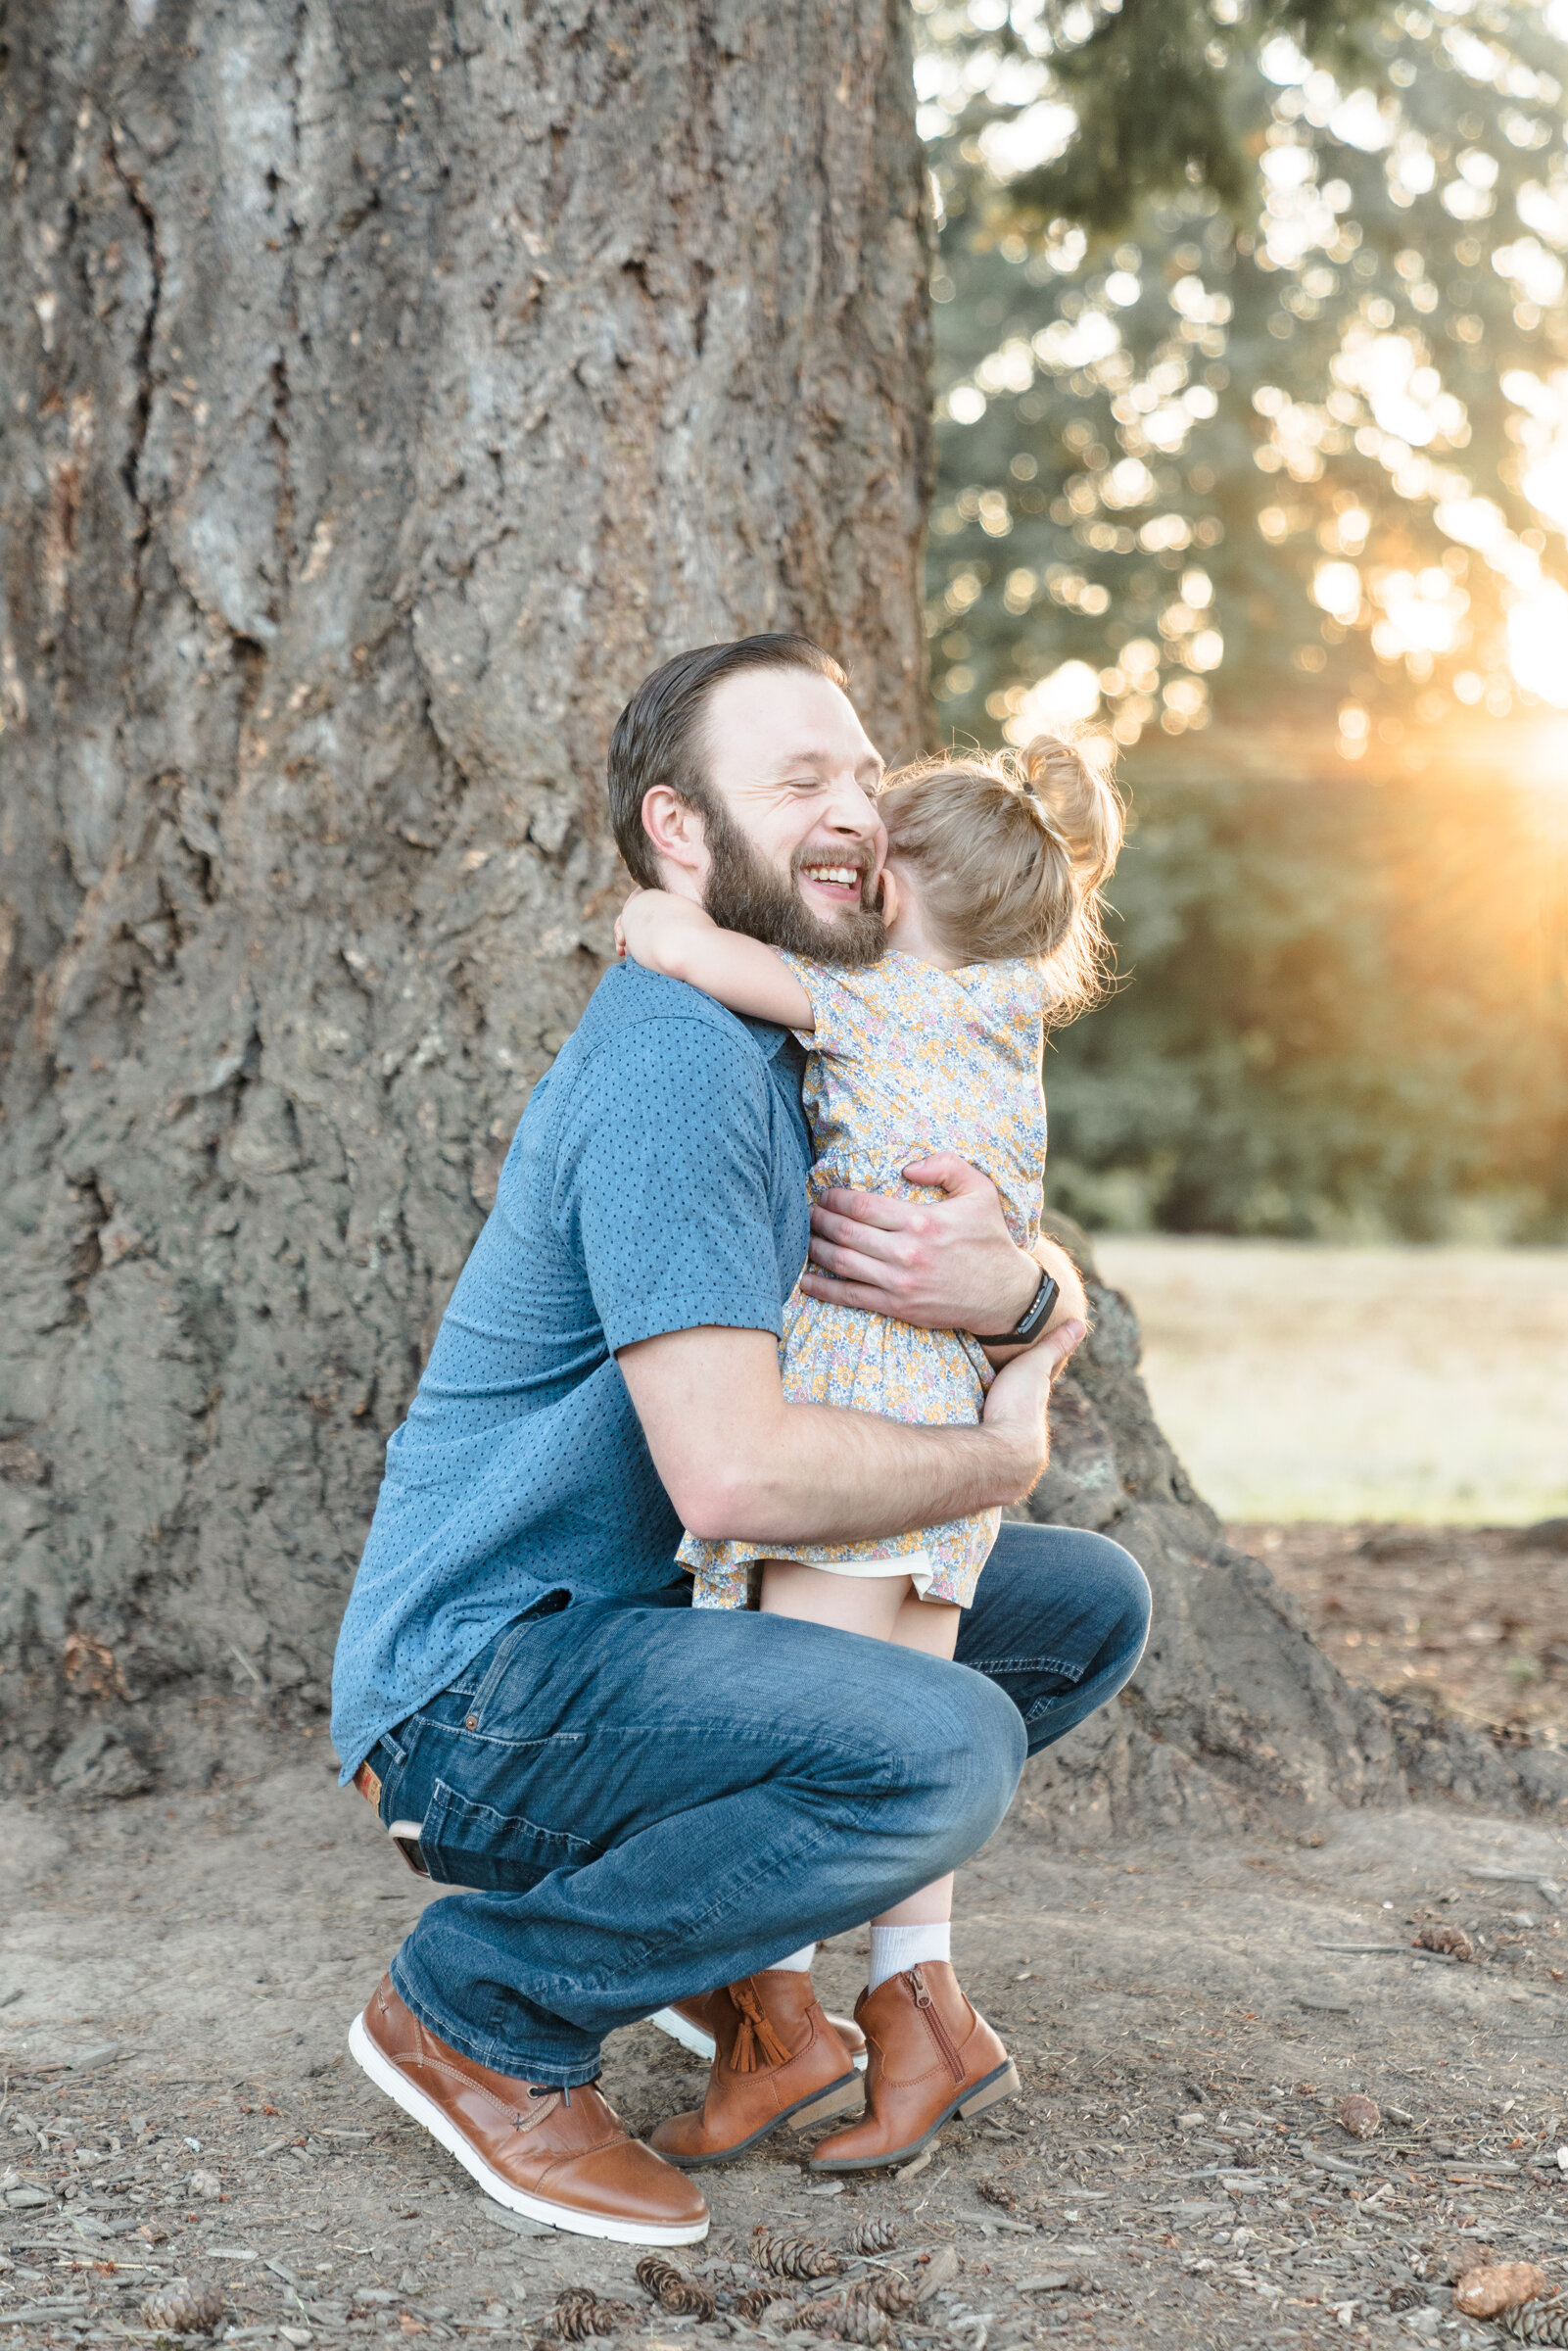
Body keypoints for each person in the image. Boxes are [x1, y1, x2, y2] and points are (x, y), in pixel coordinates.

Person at [329, 634, 1150, 2246]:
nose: (850, 812)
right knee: (940, 1742)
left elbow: (991, 1234)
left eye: (861, 774)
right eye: (796, 785)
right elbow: (738, 1476)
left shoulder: (828, 1029)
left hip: (646, 1623)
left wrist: (1018, 1296)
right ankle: (480, 2014)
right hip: (482, 1692)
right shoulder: (683, 1064)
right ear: (679, 837)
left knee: (1081, 1608)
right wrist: (993, 1455)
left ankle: (769, 1985)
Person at [613, 734, 1119, 2171]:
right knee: (910, 1714)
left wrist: (660, 915)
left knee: (804, 1736)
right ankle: (919, 2010)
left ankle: (778, 2031)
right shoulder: (1005, 1006)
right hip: (953, 1423)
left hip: (862, 1420)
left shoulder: (873, 1004)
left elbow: (688, 952)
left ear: (894, 888)